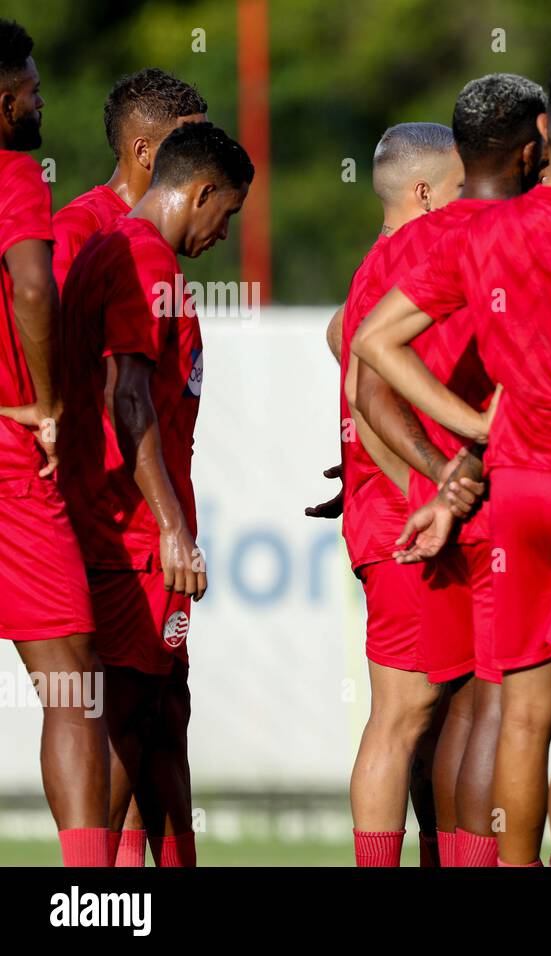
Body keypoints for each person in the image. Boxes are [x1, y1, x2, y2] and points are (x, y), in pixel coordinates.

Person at [351, 73, 546, 867]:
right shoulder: (520, 231)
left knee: (447, 710)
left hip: (418, 496)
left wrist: (381, 457)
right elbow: (367, 368)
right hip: (465, 501)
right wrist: (462, 446)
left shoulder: (393, 251)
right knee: (480, 708)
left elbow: (354, 348)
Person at [58, 120, 253, 867]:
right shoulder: (145, 257)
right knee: (130, 717)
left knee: (161, 715)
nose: (224, 234)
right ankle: (93, 896)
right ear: (201, 191)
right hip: (135, 535)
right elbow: (128, 394)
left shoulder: (113, 248)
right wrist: (174, 529)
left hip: (121, 525)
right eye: (226, 213)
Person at [51, 64, 206, 869]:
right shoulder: (88, 230)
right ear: (145, 149)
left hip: (155, 515)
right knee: (121, 705)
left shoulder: (162, 242)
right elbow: (110, 386)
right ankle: (99, 894)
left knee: (165, 709)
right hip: (118, 521)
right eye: (190, 139)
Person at [328, 121, 481, 866]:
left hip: (384, 501)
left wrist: (355, 456)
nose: (469, 199)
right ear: (423, 192)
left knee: (441, 710)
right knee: (404, 712)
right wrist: (421, 480)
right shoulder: (428, 246)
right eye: (458, 187)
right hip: (405, 513)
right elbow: (365, 379)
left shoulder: (374, 260)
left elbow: (340, 336)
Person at [0, 16, 107, 868]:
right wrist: (46, 403)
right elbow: (34, 284)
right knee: (72, 682)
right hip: (8, 456)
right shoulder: (14, 173)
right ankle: (87, 899)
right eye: (31, 90)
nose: (40, 103)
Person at [52, 68, 207, 291]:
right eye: (191, 148)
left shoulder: (162, 229)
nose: (206, 160)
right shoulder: (76, 227)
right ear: (143, 151)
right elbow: (48, 321)